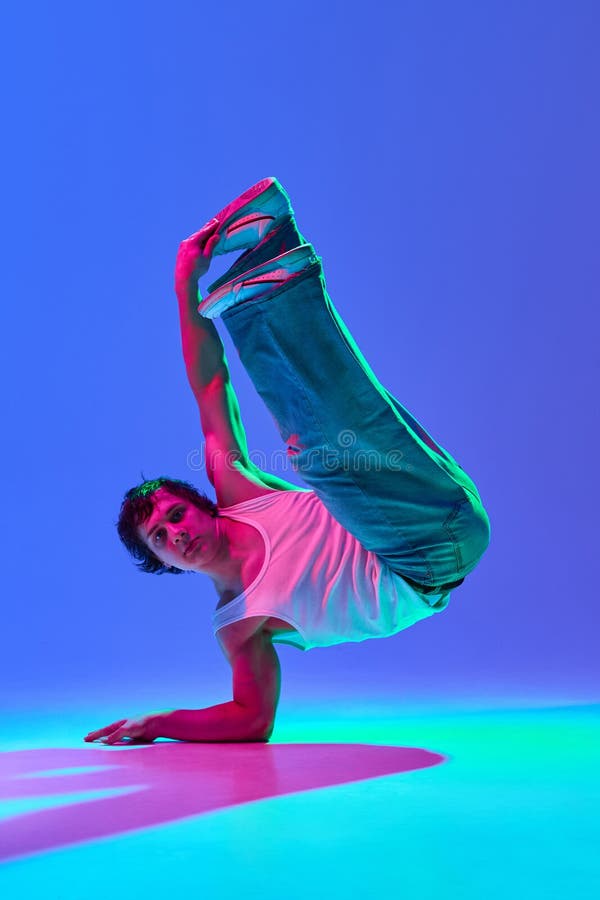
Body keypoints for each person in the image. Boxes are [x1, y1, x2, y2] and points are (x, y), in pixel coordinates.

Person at [84, 178, 490, 747]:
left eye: (175, 516)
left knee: (330, 448)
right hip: (424, 565)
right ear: (164, 564)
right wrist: (159, 723)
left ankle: (278, 248)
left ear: (202, 507)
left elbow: (209, 383)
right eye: (159, 537)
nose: (175, 533)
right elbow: (251, 720)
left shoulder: (240, 491)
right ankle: (270, 293)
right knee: (322, 459)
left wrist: (185, 284)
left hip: (436, 505)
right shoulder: (238, 626)